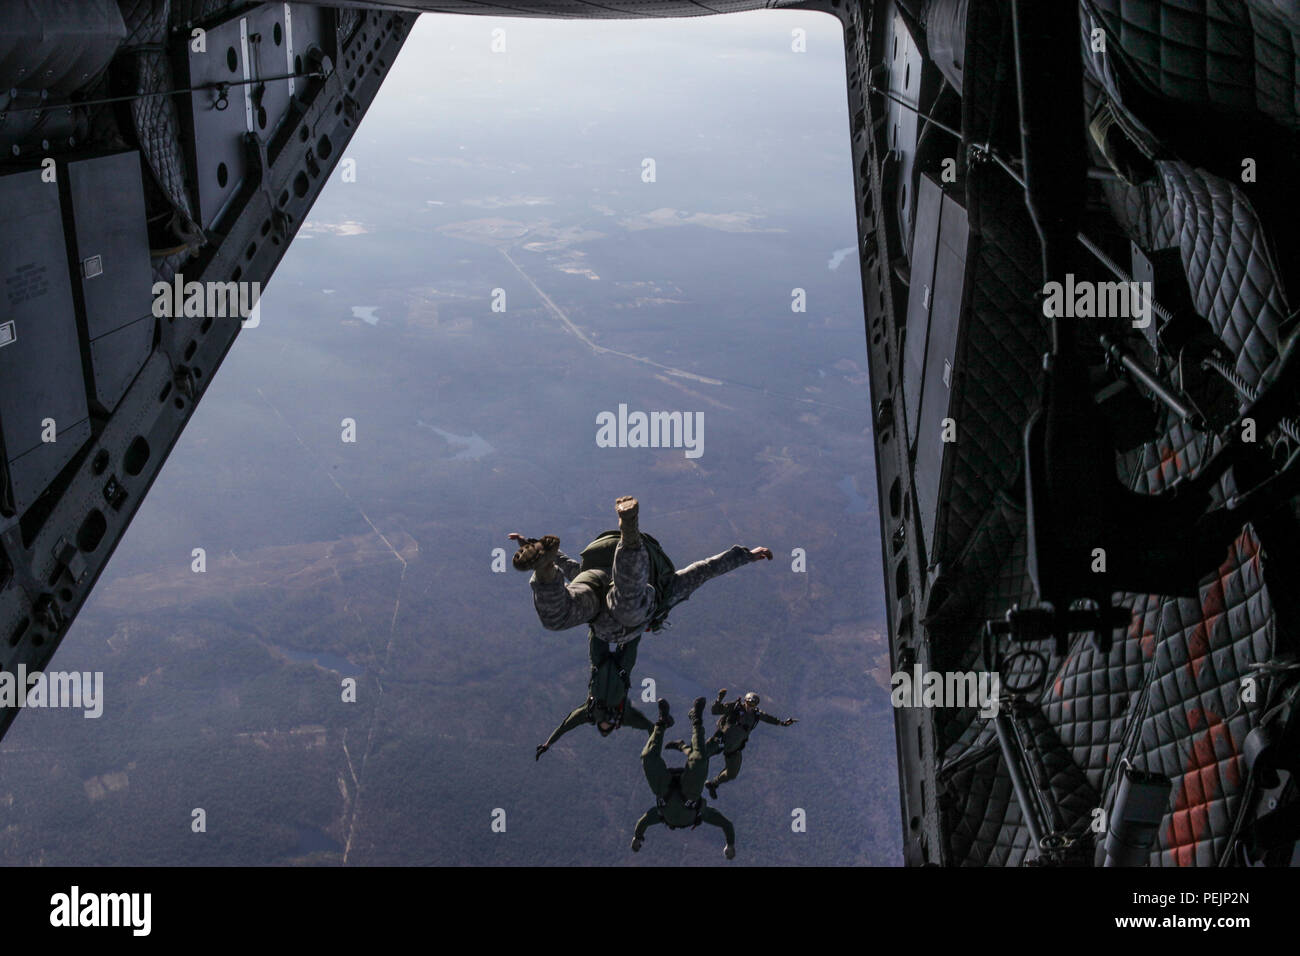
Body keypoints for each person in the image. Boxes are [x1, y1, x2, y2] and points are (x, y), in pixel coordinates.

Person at [509, 495, 772, 646]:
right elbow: (705, 569)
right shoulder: (666, 594)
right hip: (612, 599)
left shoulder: (665, 593)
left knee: (555, 619)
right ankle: (629, 532)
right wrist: (745, 556)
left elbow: (705, 569)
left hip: (595, 592)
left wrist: (541, 555)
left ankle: (544, 571)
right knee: (628, 605)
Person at [631, 697, 736, 860]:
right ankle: (696, 721)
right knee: (699, 758)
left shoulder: (659, 813)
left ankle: (662, 723)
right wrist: (730, 844)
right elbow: (726, 825)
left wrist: (638, 837)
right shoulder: (701, 813)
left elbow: (642, 824)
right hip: (689, 793)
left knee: (648, 757)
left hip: (664, 789)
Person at [534, 633, 652, 758]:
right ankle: (645, 618)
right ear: (613, 724)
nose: (606, 721)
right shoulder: (622, 716)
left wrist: (548, 743)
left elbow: (566, 726)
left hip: (600, 663)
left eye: (603, 725)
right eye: (609, 724)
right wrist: (656, 738)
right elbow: (649, 726)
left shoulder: (589, 713)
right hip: (622, 666)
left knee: (596, 627)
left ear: (598, 723)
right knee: (634, 633)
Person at [667, 689, 796, 797]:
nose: (750, 706)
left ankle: (713, 784)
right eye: (748, 703)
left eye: (753, 705)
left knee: (732, 773)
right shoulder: (734, 707)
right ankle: (681, 745)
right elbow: (715, 711)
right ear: (745, 701)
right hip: (720, 740)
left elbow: (768, 718)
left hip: (734, 748)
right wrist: (719, 699)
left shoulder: (756, 714)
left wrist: (783, 723)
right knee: (699, 756)